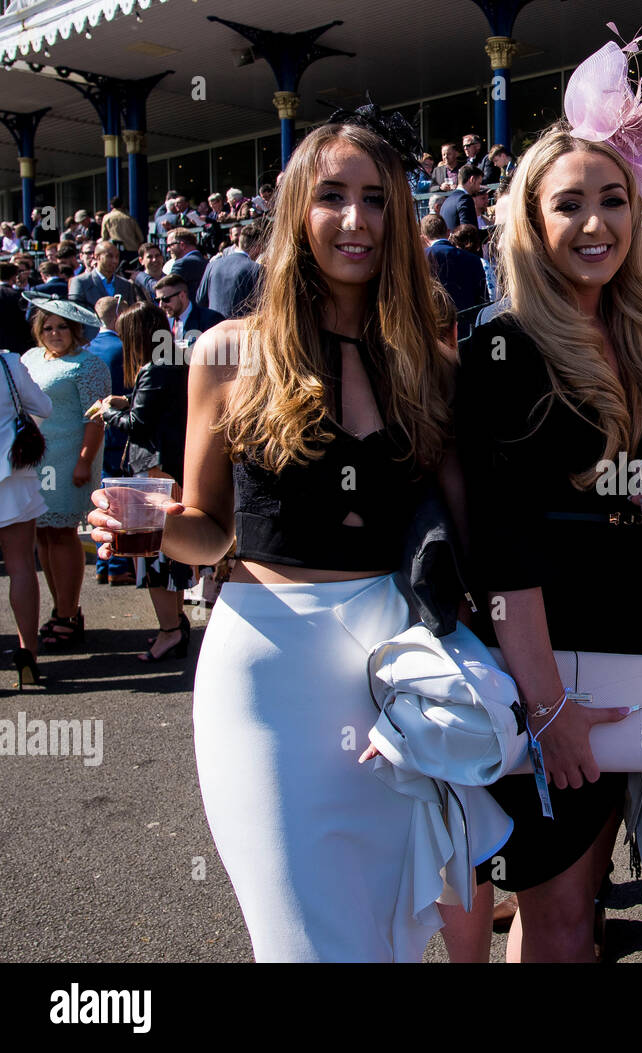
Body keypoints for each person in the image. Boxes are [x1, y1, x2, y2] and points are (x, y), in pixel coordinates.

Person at [89, 114, 484, 962]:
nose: (356, 220)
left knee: (381, 936)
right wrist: (153, 527)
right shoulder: (229, 352)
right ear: (297, 214)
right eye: (332, 197)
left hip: (391, 672)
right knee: (302, 943)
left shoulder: (428, 364)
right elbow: (208, 531)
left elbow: (472, 526)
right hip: (265, 670)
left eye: (376, 200)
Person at [455, 116, 642, 962]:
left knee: (576, 906)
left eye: (613, 201)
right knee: (559, 914)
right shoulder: (502, 344)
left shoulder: (632, 335)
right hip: (554, 673)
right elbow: (500, 545)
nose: (595, 223)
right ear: (531, 222)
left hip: (631, 661)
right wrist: (547, 706)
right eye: (569, 205)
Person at [97, 302, 194, 661]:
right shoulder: (177, 360)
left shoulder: (155, 367)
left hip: (154, 470)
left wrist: (109, 412)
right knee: (168, 554)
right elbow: (158, 411)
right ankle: (176, 625)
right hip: (171, 467)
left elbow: (139, 426)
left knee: (153, 554)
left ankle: (170, 630)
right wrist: (128, 403)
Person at [21, 299, 110, 649]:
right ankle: (61, 609)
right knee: (42, 534)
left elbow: (95, 418)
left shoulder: (89, 365)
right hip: (34, 461)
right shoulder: (30, 359)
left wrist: (84, 462)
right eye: (47, 327)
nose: (54, 333)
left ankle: (68, 614)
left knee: (61, 532)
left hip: (70, 459)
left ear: (75, 330)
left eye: (61, 327)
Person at [0, 347, 54, 687]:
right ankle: (27, 655)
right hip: (11, 476)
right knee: (20, 564)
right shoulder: (7, 362)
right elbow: (44, 407)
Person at [85, 296, 134, 586]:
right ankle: (117, 564)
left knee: (107, 495)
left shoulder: (91, 348)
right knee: (119, 499)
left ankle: (105, 565)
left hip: (99, 431)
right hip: (119, 432)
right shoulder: (122, 349)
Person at [196, 221, 263, 319]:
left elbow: (200, 300)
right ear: (257, 246)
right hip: (242, 329)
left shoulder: (213, 265)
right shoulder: (256, 269)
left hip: (214, 328)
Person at [424, 213, 487, 312]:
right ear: (448, 233)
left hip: (436, 322)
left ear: (424, 238)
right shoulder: (473, 259)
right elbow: (483, 299)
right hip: (470, 322)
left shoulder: (420, 260)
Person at [69, 240, 139, 311]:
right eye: (109, 256)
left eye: (117, 257)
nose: (115, 261)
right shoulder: (80, 282)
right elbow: (75, 313)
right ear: (97, 257)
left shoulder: (125, 285)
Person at [155, 274, 223, 343]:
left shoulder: (210, 320)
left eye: (165, 299)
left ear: (182, 296)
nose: (161, 305)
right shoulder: (165, 322)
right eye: (158, 300)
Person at [439, 165, 481, 232]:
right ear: (472, 180)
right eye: (479, 183)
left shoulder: (446, 202)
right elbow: (468, 232)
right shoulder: (465, 199)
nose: (479, 188)